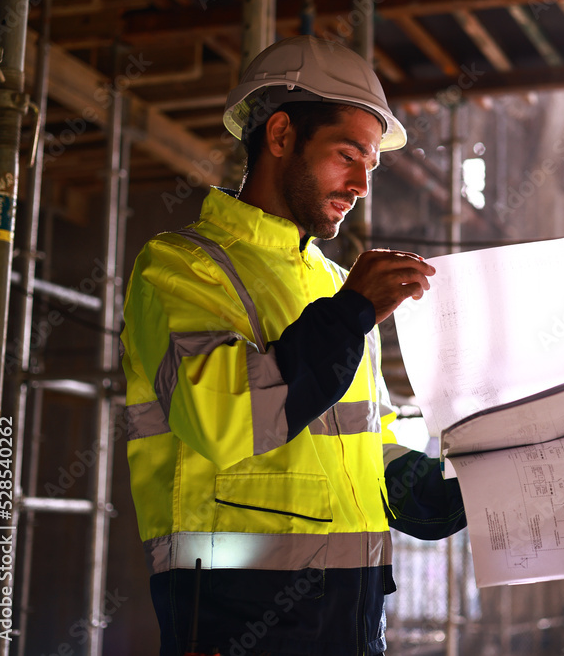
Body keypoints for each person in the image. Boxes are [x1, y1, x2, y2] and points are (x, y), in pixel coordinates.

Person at [121, 36, 466, 656]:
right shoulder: (180, 268)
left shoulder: (334, 283)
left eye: (370, 165)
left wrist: (442, 490)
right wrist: (350, 314)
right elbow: (224, 420)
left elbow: (368, 442)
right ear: (280, 135)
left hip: (356, 618)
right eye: (347, 155)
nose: (362, 183)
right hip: (236, 619)